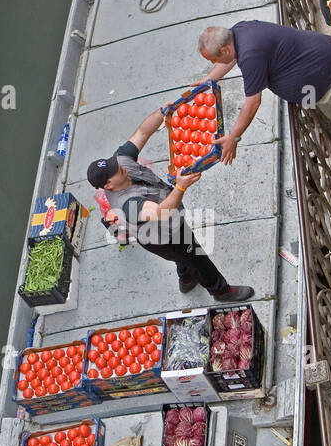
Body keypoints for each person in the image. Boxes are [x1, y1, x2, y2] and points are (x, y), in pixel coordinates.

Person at [87, 107, 254, 301]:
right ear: (108, 185)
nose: (120, 166)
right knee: (196, 257)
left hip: (170, 222)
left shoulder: (121, 162)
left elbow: (143, 132)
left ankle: (186, 280)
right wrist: (180, 188)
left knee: (184, 257)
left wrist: (162, 111)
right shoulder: (127, 203)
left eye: (115, 164)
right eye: (115, 170)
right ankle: (220, 291)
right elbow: (161, 212)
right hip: (163, 236)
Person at [197, 19, 331, 174]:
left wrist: (233, 137)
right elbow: (229, 60)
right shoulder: (238, 31)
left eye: (212, 59)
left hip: (325, 76)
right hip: (312, 88)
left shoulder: (250, 56)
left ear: (224, 49)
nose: (213, 64)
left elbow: (253, 102)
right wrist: (207, 81)